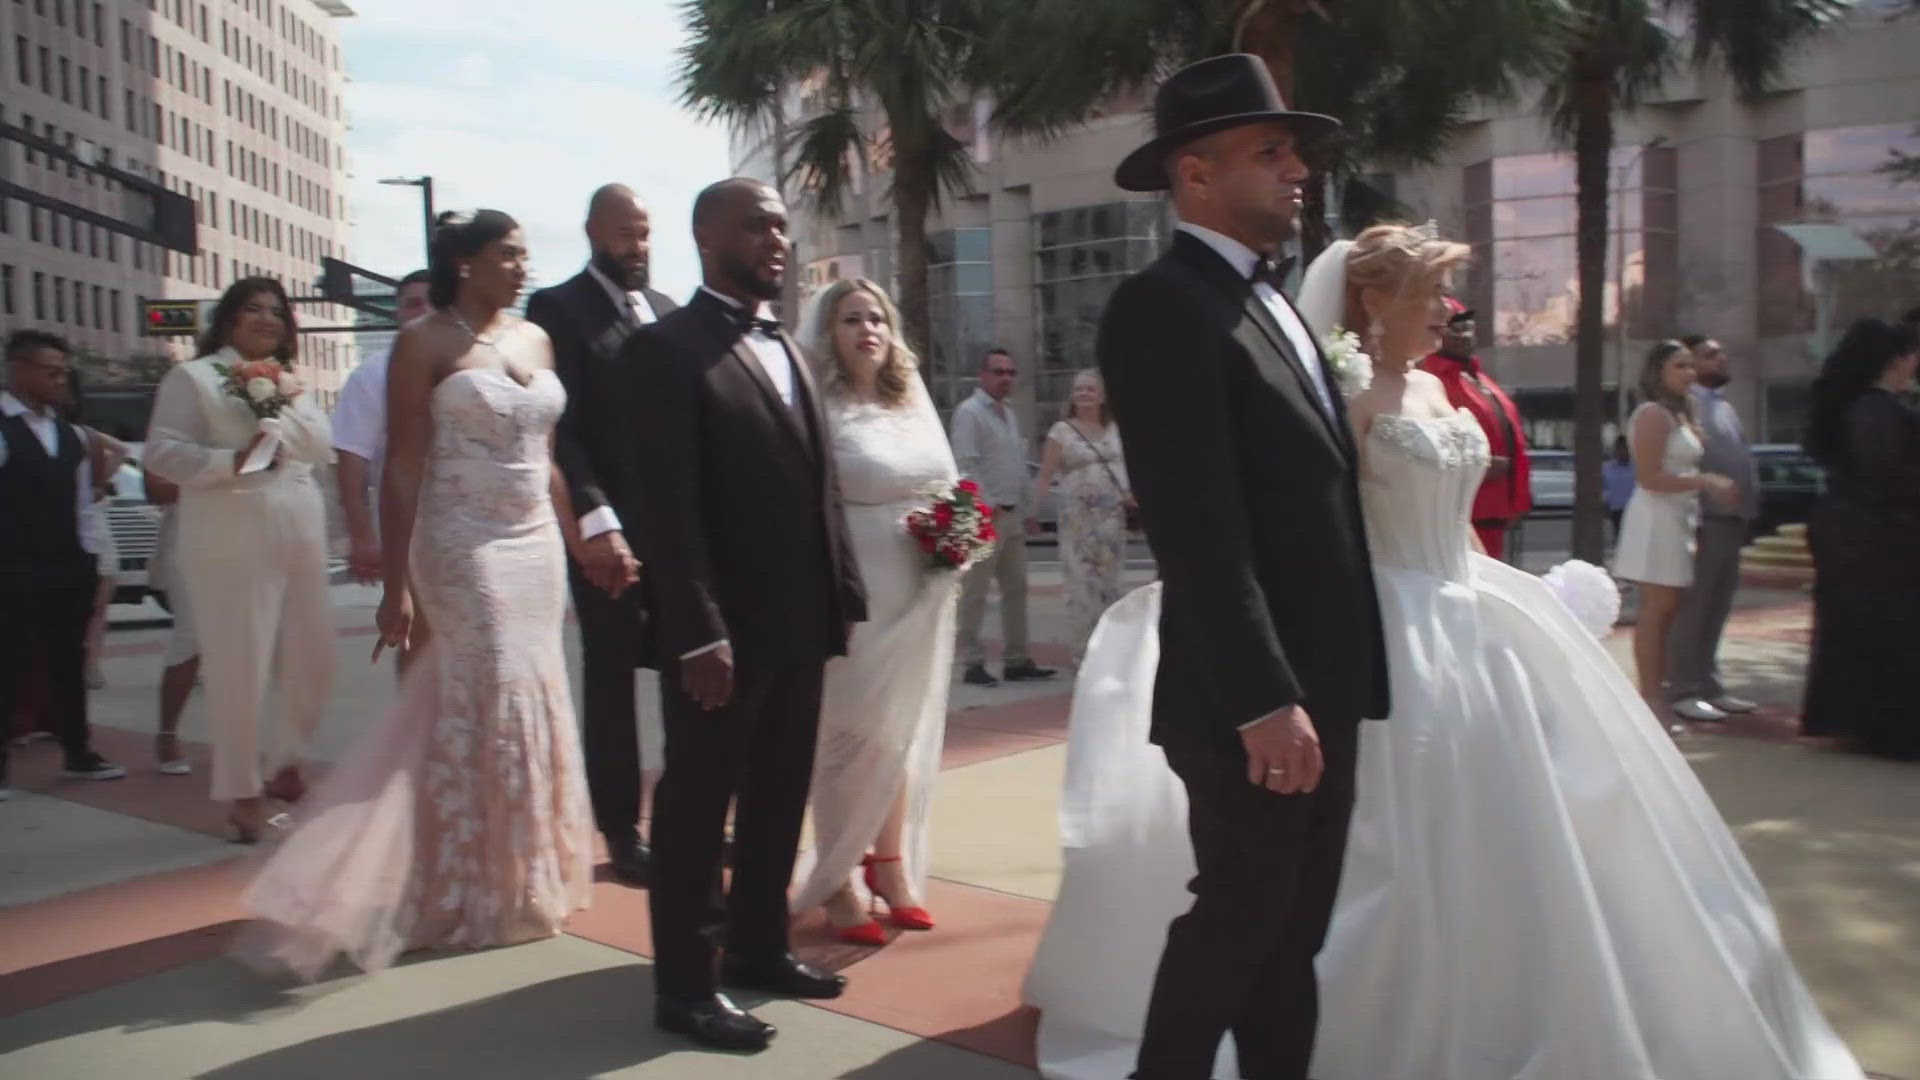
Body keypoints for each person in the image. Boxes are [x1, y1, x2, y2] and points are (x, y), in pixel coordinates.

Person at [1027, 216, 1866, 1080]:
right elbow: (1302, 525)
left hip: (1467, 610)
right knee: (1341, 860)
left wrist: (1519, 594)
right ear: (1373, 301)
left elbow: (1457, 511)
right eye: (1429, 292)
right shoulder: (1336, 393)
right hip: (1377, 622)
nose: (1447, 310)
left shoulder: (1436, 391)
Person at [1037, 55, 1392, 1080]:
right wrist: (1263, 698)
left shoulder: (1274, 301)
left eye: (1298, 152)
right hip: (1253, 700)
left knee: (1293, 938)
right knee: (1238, 922)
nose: (1299, 171)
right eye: (1271, 152)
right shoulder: (1162, 308)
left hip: (1321, 684)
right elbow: (1200, 530)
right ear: (1195, 173)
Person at [236, 209, 594, 978]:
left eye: (525, 255)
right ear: (464, 264)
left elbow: (548, 460)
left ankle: (520, 879)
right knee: (487, 694)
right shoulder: (422, 343)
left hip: (535, 548)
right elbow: (401, 469)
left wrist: (585, 538)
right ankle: (452, 886)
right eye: (510, 254)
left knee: (533, 696)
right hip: (460, 544)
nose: (523, 267)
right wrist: (396, 583)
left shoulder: (536, 339)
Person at [625, 178, 867, 1053]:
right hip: (717, 635)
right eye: (756, 224)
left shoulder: (793, 350)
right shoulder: (666, 350)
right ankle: (684, 989)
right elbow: (665, 507)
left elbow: (821, 488)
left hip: (800, 621)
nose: (777, 238)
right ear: (705, 236)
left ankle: (759, 947)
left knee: (778, 796)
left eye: (781, 225)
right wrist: (696, 627)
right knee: (697, 809)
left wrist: (841, 595)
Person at [790, 277, 955, 947]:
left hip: (921, 587)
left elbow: (948, 481)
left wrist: (959, 532)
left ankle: (889, 868)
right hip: (855, 590)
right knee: (849, 736)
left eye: (878, 319)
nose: (868, 331)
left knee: (900, 732)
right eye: (852, 319)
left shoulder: (908, 400)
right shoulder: (818, 405)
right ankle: (836, 880)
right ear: (827, 334)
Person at [526, 184, 679, 888]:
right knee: (612, 678)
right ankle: (621, 830)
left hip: (681, 534)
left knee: (692, 676)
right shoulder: (558, 310)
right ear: (593, 233)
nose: (637, 246)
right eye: (624, 234)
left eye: (644, 233)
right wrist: (594, 526)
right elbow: (564, 431)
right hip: (607, 538)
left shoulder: (671, 311)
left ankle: (691, 816)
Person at [146, 278, 335, 843]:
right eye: (253, 309)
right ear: (228, 319)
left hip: (300, 527)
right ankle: (244, 789)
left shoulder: (294, 384)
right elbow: (162, 453)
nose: (267, 319)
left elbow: (321, 447)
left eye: (277, 312)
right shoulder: (195, 377)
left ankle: (285, 756)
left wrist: (280, 407)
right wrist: (235, 461)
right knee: (238, 665)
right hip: (230, 531)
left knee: (315, 657)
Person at [1, 330, 126, 800]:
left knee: (67, 663)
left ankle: (79, 751)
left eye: (63, 372)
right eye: (51, 371)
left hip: (68, 566)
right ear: (19, 370)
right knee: (8, 664)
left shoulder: (71, 435)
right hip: (11, 567)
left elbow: (84, 505)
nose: (60, 380)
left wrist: (91, 562)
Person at [1801, 317, 1920, 760]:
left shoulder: (1869, 407)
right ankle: (1884, 730)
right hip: (1876, 537)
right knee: (1887, 631)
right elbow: (1886, 475)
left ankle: (1860, 722)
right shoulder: (1876, 410)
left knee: (1860, 630)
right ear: (1898, 360)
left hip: (1864, 533)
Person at [1612, 340, 1739, 722]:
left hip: (1680, 518)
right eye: (1678, 366)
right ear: (1658, 372)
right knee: (1657, 610)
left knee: (1669, 610)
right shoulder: (1652, 414)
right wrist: (1706, 482)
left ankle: (1657, 692)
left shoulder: (1682, 413)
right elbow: (1649, 477)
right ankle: (1650, 699)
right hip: (1655, 519)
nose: (1688, 373)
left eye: (1689, 366)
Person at [332, 271, 434, 662]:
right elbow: (351, 458)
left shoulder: (471, 363)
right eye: (412, 303)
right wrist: (362, 535)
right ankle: (417, 723)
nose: (423, 311)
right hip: (407, 529)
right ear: (397, 312)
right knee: (416, 643)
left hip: (474, 525)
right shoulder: (373, 374)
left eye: (432, 301)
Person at [1666, 334, 1762, 723]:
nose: (1720, 360)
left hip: (1732, 522)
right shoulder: (1684, 409)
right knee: (1694, 609)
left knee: (1717, 608)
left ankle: (1710, 685)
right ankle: (1682, 688)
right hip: (1704, 521)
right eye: (1710, 356)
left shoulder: (1722, 406)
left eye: (1721, 353)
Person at [950, 349, 1055, 687]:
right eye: (998, 372)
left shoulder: (1008, 414)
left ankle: (1016, 659)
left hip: (1011, 517)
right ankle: (971, 662)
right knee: (975, 593)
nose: (1005, 378)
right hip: (984, 516)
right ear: (982, 375)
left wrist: (1026, 512)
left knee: (1016, 589)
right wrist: (989, 505)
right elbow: (965, 465)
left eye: (1010, 372)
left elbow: (1018, 466)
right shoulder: (970, 413)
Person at [1417, 298, 1531, 559]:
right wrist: (1478, 462)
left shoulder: (1478, 379)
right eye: (1454, 328)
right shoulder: (1430, 382)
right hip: (1468, 512)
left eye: (1468, 326)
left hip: (1500, 511)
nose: (1465, 335)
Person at [1033, 369, 1133, 664]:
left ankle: (1111, 653)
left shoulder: (1116, 429)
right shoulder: (1061, 431)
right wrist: (1035, 512)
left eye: (1090, 389)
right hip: (1077, 521)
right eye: (1079, 389)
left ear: (1102, 396)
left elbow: (1129, 468)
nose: (1084, 393)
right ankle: (1084, 655)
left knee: (1110, 585)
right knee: (1081, 587)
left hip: (1111, 518)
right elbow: (1045, 475)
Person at [143, 467, 196, 776]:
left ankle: (237, 738)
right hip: (188, 537)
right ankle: (167, 734)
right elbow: (157, 489)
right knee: (192, 636)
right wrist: (227, 470)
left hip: (247, 537)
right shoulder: (172, 424)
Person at [1602, 433, 1635, 541]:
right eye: (1620, 448)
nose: (1623, 452)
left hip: (1634, 509)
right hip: (1616, 509)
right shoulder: (1607, 468)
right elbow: (1603, 488)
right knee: (1620, 539)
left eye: (1625, 448)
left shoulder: (1637, 468)